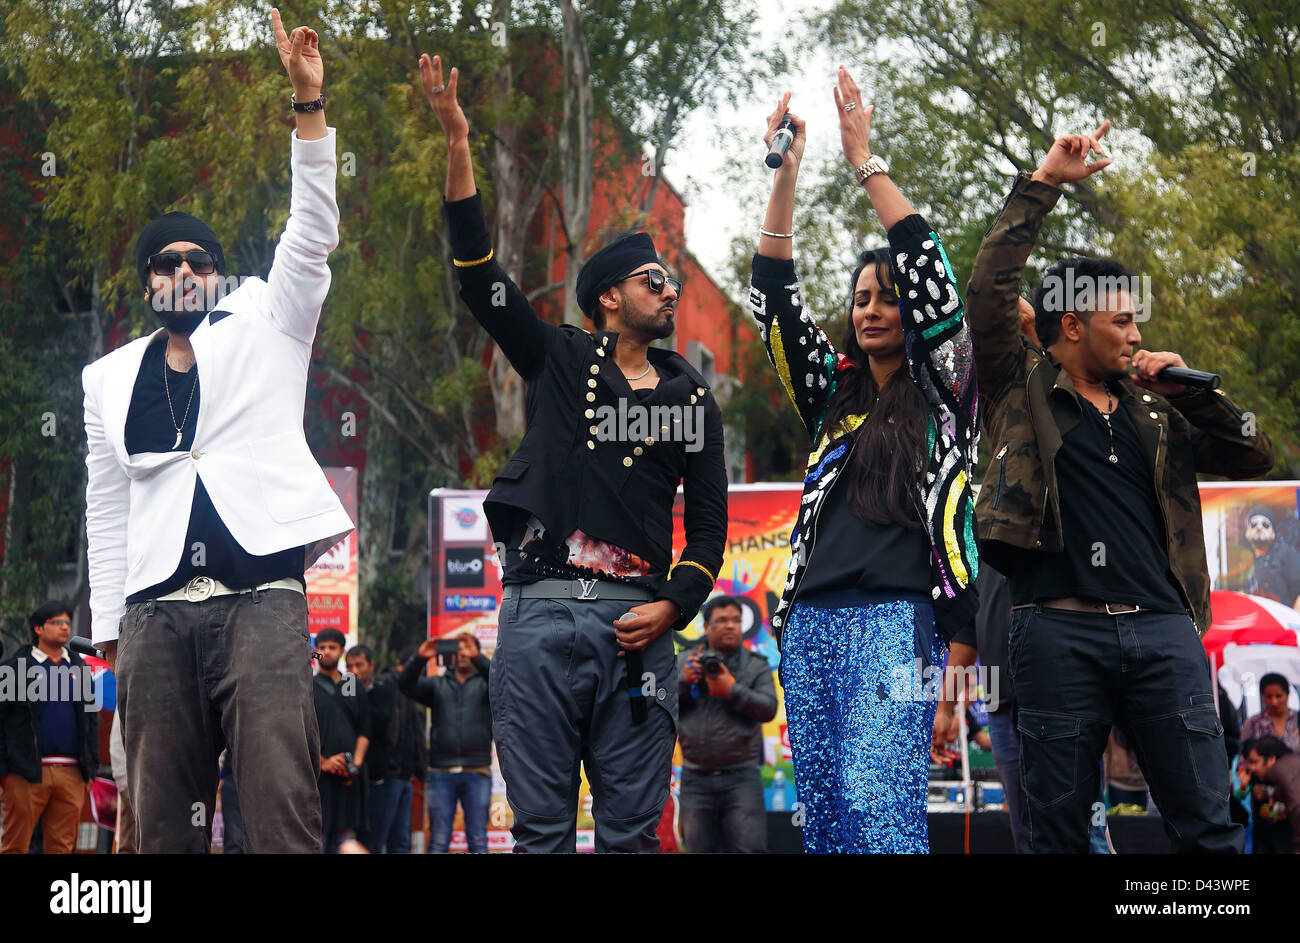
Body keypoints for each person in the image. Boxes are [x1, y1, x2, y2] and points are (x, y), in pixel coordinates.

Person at [421, 53, 728, 853]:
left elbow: (709, 523)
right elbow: (480, 277)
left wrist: (674, 606)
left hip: (640, 623)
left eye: (671, 282)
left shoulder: (690, 397)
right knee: (543, 833)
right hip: (538, 614)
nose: (669, 291)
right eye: (654, 280)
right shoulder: (558, 358)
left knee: (631, 834)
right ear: (608, 298)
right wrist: (457, 139)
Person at [82, 10, 352, 853]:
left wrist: (307, 109)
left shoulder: (266, 322)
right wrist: (110, 629)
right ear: (149, 283)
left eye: (201, 261)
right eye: (169, 263)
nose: (187, 273)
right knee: (159, 821)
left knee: (279, 809)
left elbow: (309, 239)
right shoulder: (105, 376)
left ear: (216, 274)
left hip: (260, 604)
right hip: (155, 617)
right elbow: (108, 503)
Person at [966, 118, 1275, 853]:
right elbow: (989, 286)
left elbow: (1253, 452)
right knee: (1060, 835)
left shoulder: (1158, 411)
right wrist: (1043, 182)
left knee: (1208, 824)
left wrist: (1192, 391)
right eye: (1124, 321)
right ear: (1071, 326)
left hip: (1163, 629)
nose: (1136, 334)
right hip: (1056, 629)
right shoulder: (1023, 390)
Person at [749, 69, 980, 854]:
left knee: (878, 808)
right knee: (828, 819)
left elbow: (930, 270)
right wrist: (785, 174)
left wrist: (864, 161)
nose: (872, 308)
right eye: (860, 298)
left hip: (896, 622)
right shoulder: (833, 396)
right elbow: (774, 299)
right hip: (809, 624)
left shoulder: (946, 387)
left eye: (887, 296)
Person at [677, 595, 778, 853]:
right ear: (707, 626)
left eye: (736, 620)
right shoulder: (684, 662)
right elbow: (659, 706)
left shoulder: (756, 665)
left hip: (742, 777)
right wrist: (683, 683)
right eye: (722, 620)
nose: (731, 626)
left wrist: (732, 690)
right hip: (695, 778)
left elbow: (768, 709)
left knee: (750, 849)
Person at [0, 601, 100, 854]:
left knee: (63, 848)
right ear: (39, 628)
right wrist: (5, 772)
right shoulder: (15, 669)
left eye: (67, 622)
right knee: (15, 846)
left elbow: (91, 721)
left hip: (72, 774)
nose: (65, 627)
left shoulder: (79, 668)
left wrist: (90, 769)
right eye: (57, 622)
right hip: (25, 772)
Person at [398, 634, 492, 854]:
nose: (462, 655)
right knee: (438, 841)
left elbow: (506, 681)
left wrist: (479, 659)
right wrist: (420, 658)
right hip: (441, 773)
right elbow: (404, 685)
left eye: (467, 650)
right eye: (457, 651)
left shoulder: (489, 685)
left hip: (477, 771)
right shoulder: (437, 685)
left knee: (478, 840)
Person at [313, 629, 370, 853]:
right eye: (322, 647)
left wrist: (354, 763)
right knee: (319, 837)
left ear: (341, 651)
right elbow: (301, 733)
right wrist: (323, 762)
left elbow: (365, 729)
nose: (326, 651)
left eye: (332, 647)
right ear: (316, 652)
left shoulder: (351, 685)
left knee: (345, 839)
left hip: (348, 779)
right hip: (319, 779)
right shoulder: (308, 687)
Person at [345, 645, 402, 852]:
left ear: (371, 665)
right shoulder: (346, 688)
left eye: (359, 665)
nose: (354, 671)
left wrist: (358, 695)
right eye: (349, 666)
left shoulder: (384, 689)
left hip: (379, 778)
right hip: (351, 777)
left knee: (375, 840)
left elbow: (377, 723)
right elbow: (343, 723)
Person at [1242, 737, 1300, 853]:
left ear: (1271, 759)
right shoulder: (1280, 769)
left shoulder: (1284, 771)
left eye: (1255, 762)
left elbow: (1297, 806)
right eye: (1249, 762)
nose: (1252, 768)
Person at [1241, 673, 1300, 752]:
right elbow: (1243, 757)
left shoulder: (1297, 719)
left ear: (1287, 694)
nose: (1274, 702)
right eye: (1269, 696)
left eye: (1279, 696)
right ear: (1262, 696)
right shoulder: (1253, 723)